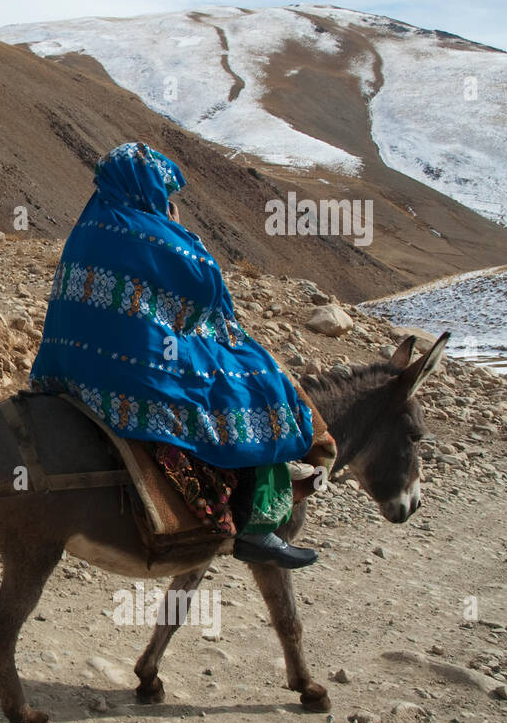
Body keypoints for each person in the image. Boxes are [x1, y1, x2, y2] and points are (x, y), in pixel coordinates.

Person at [30, 142, 332, 569]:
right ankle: (256, 525)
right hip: (130, 372)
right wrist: (181, 231)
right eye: (164, 191)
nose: (168, 201)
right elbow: (207, 289)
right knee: (257, 379)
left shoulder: (91, 224)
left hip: (65, 366)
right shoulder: (151, 232)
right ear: (148, 187)